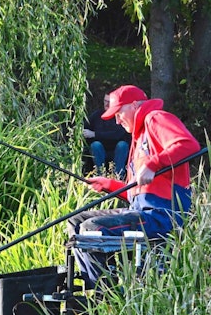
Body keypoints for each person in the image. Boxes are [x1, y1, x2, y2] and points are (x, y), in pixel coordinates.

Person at [68, 85, 201, 283]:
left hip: (163, 215)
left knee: (92, 227)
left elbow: (189, 145)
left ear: (134, 105)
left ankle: (106, 294)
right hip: (141, 211)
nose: (117, 120)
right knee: (76, 221)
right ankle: (95, 286)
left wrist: (154, 163)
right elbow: (136, 193)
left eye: (119, 113)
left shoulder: (156, 118)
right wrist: (109, 184)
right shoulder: (138, 138)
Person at [83, 104, 130, 178]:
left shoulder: (120, 116)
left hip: (117, 150)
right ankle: (100, 175)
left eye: (109, 102)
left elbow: (117, 134)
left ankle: (118, 176)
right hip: (100, 151)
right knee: (95, 145)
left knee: (123, 145)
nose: (107, 104)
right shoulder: (97, 115)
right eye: (105, 101)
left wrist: (95, 134)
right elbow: (85, 128)